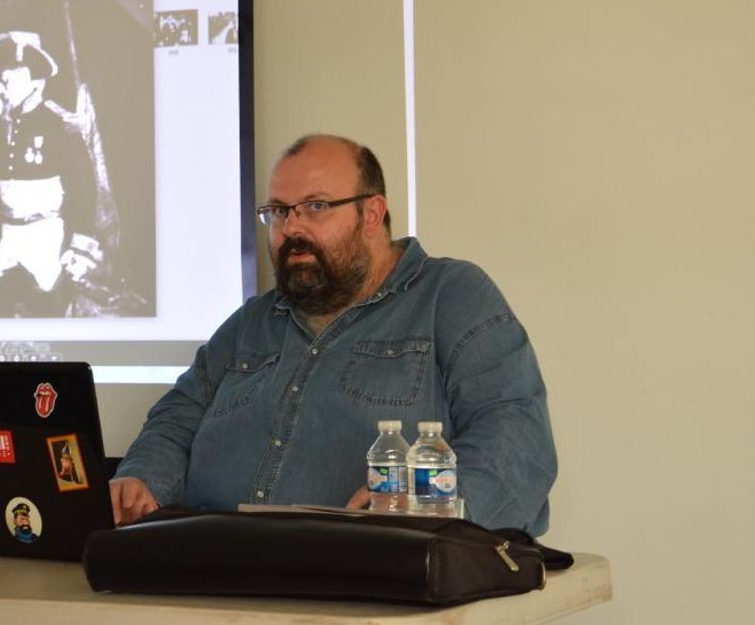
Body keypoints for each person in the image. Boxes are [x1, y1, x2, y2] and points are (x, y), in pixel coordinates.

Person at [110, 134, 557, 535]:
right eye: (279, 212)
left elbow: (518, 439)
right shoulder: (252, 322)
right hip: (209, 570)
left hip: (366, 580)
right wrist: (141, 479)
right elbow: (176, 420)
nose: (291, 228)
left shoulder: (450, 296)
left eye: (316, 207)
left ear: (372, 213)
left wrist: (428, 511)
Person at [0, 31, 101, 317]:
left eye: (8, 81)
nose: (1, 89)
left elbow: (83, 190)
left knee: (48, 315)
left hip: (47, 238)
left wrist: (79, 247)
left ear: (36, 82)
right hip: (5, 239)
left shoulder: (60, 127)